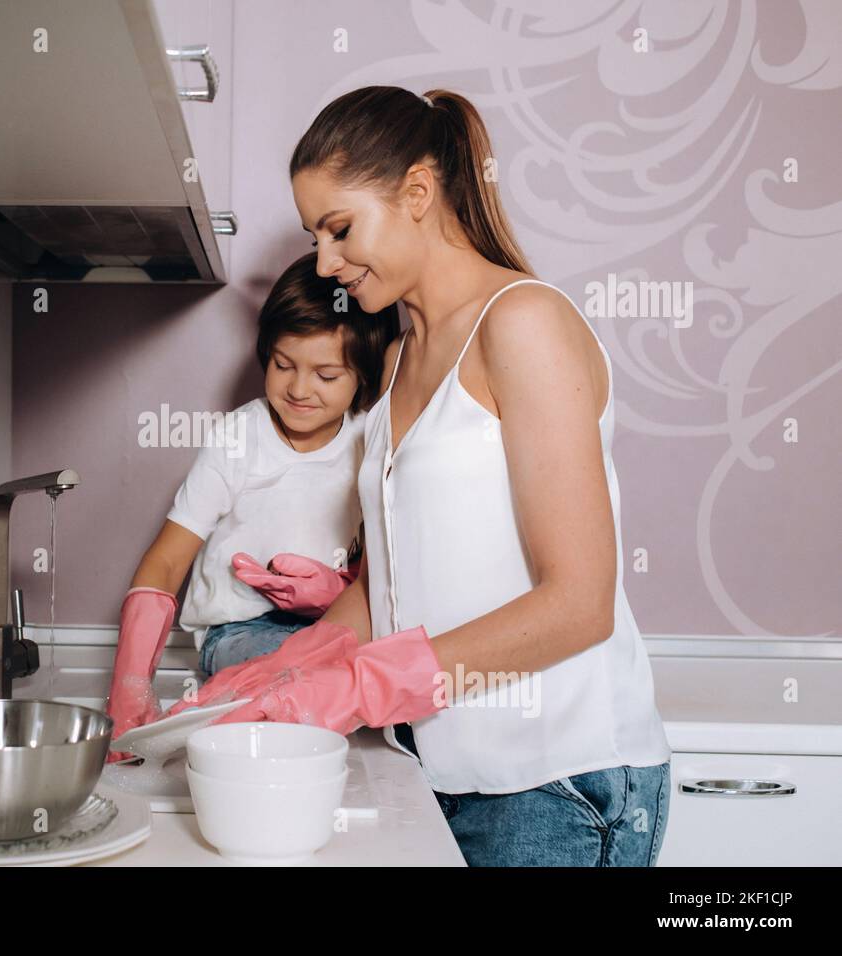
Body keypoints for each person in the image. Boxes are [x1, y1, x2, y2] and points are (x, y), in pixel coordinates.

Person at [170, 87, 673, 867]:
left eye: (339, 229)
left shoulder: (523, 322)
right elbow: (391, 585)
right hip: (440, 771)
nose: (325, 262)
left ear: (416, 192)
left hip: (556, 786)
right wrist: (279, 673)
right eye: (314, 236)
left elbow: (579, 603)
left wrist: (361, 688)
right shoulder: (400, 359)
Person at [104, 252, 398, 758]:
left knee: (370, 665)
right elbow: (169, 558)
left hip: (335, 626)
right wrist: (130, 687)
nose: (299, 388)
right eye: (284, 365)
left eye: (326, 375)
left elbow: (382, 563)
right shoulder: (239, 438)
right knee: (298, 673)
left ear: (363, 378)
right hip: (239, 631)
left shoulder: (369, 440)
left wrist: (338, 589)